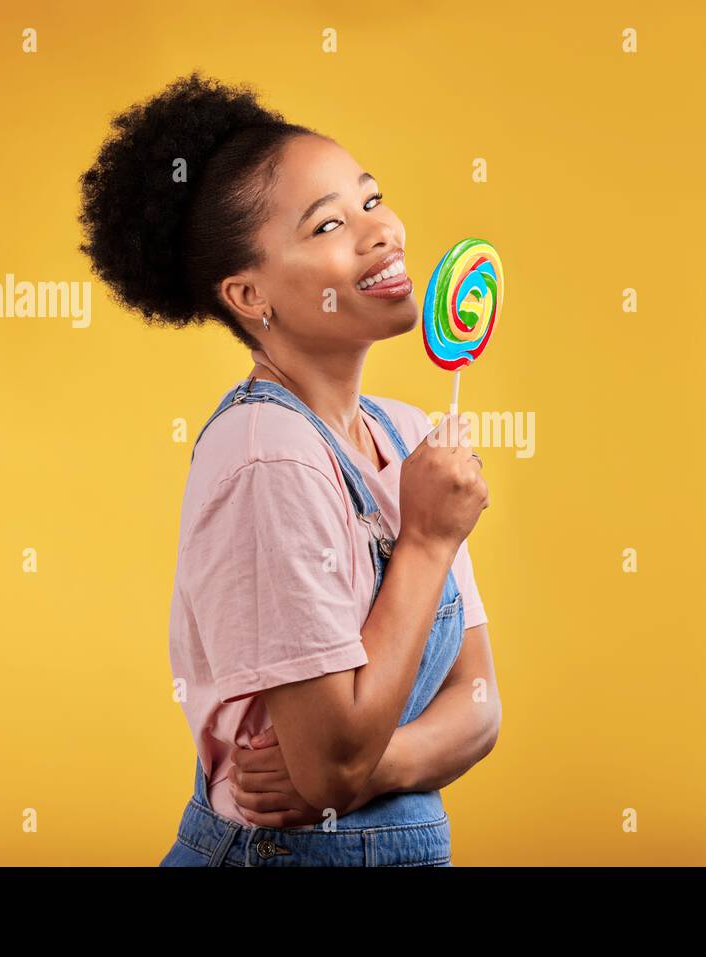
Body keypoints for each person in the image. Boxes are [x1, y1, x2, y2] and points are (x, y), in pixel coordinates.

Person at [77, 72, 501, 866]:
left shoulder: (411, 438)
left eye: (372, 201)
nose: (382, 234)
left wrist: (374, 767)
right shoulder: (267, 455)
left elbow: (479, 710)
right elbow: (331, 761)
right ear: (249, 294)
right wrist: (426, 542)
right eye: (328, 225)